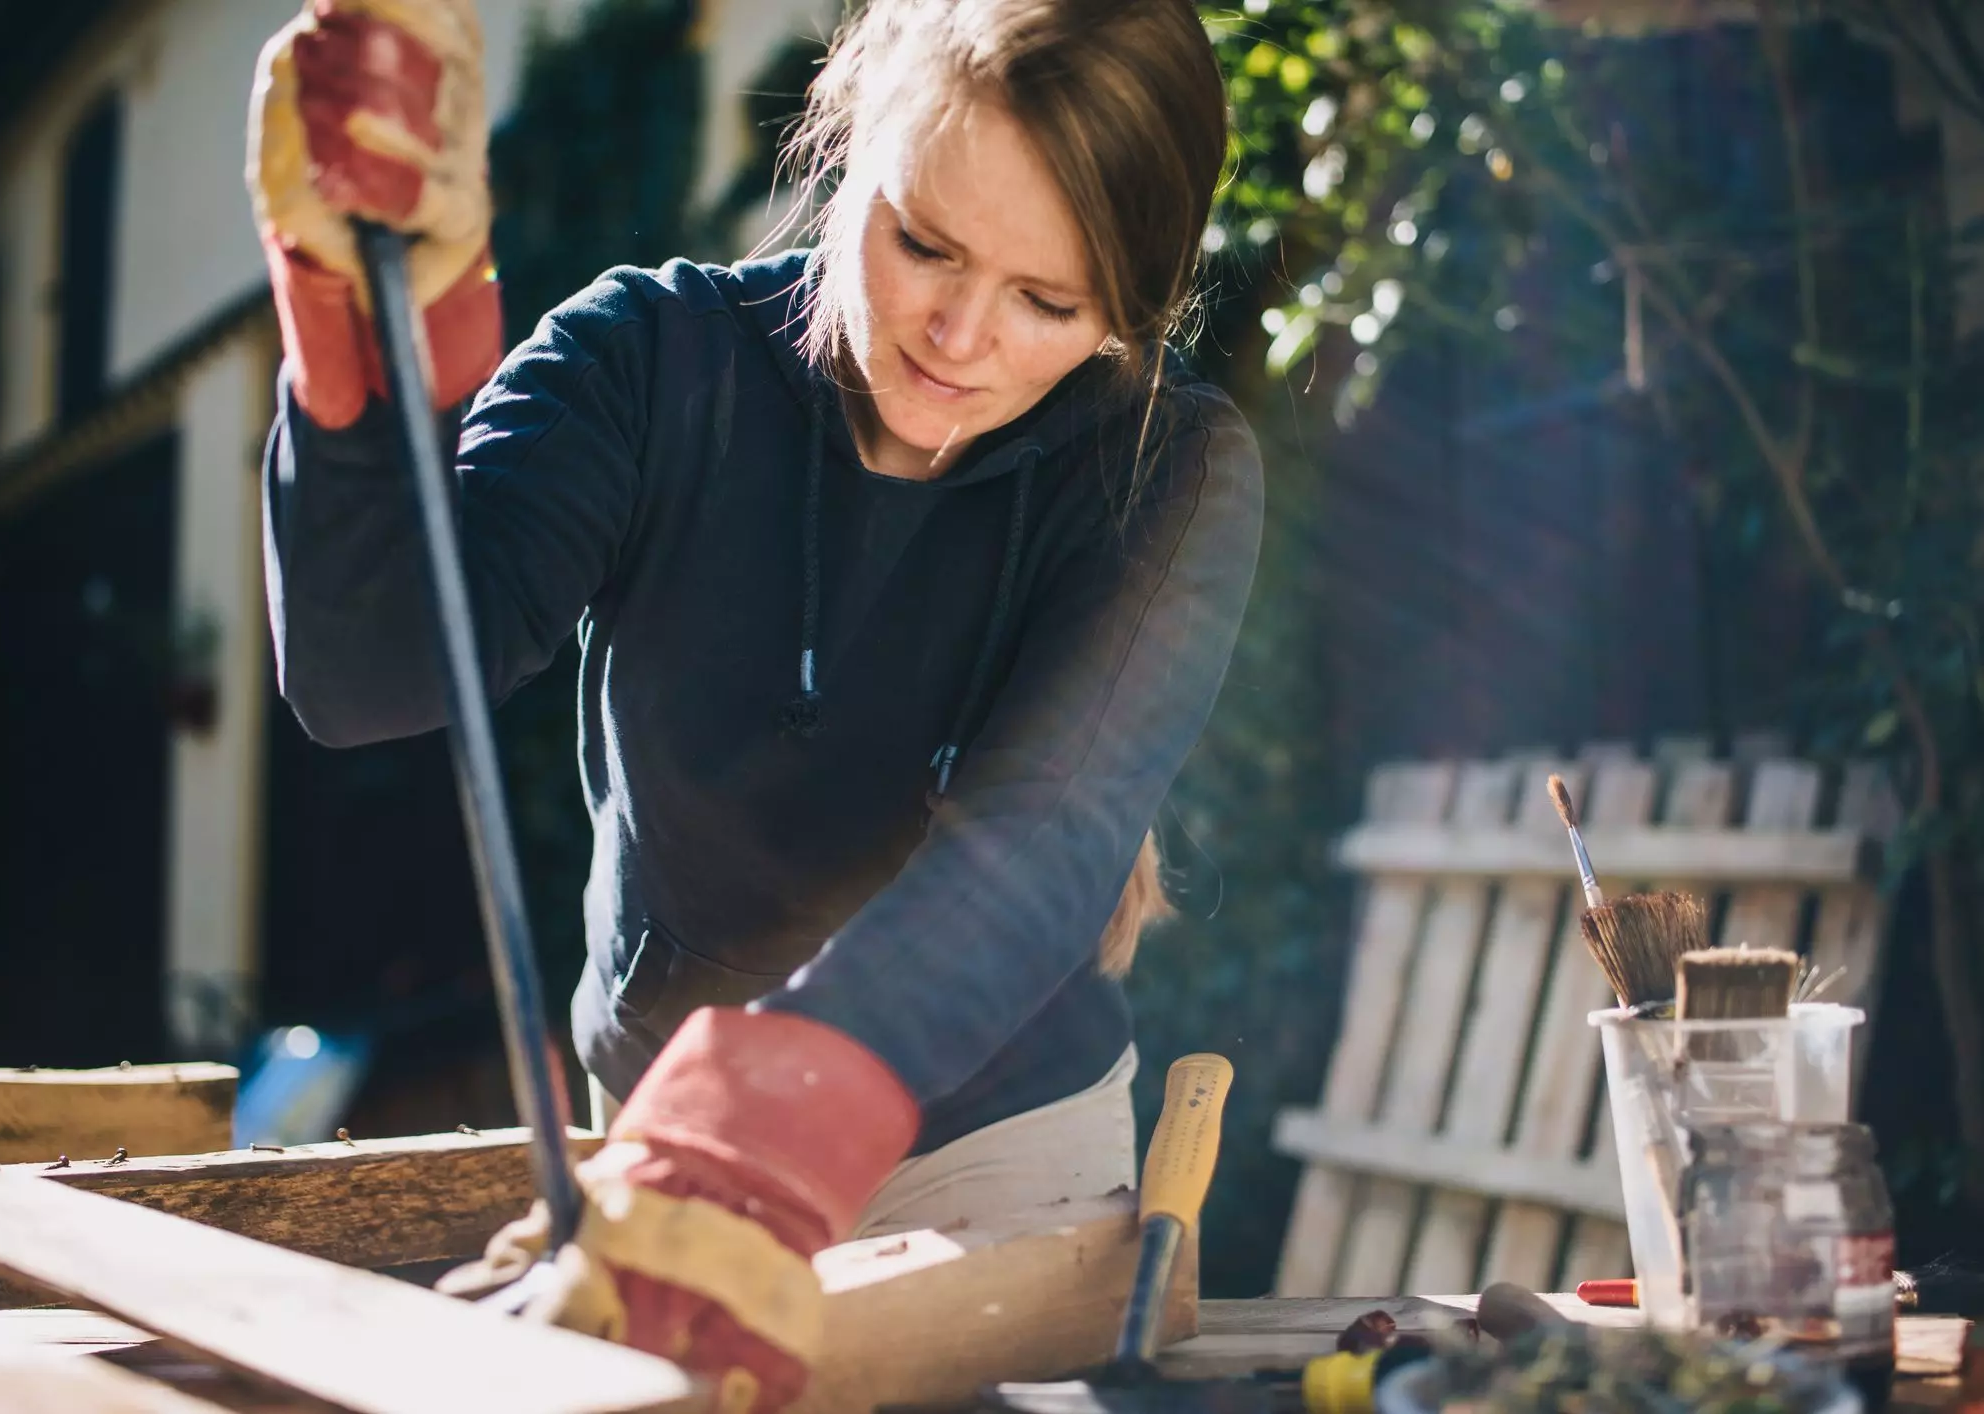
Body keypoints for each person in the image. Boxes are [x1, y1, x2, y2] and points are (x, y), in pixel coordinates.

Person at [245, 0, 1260, 1406]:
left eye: (1048, 303)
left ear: (1128, 310)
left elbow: (1038, 842)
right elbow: (373, 674)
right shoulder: (648, 361)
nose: (961, 337)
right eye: (926, 243)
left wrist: (759, 1122)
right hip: (663, 1144)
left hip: (993, 1162)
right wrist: (351, 331)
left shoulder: (1168, 467)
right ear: (848, 149)